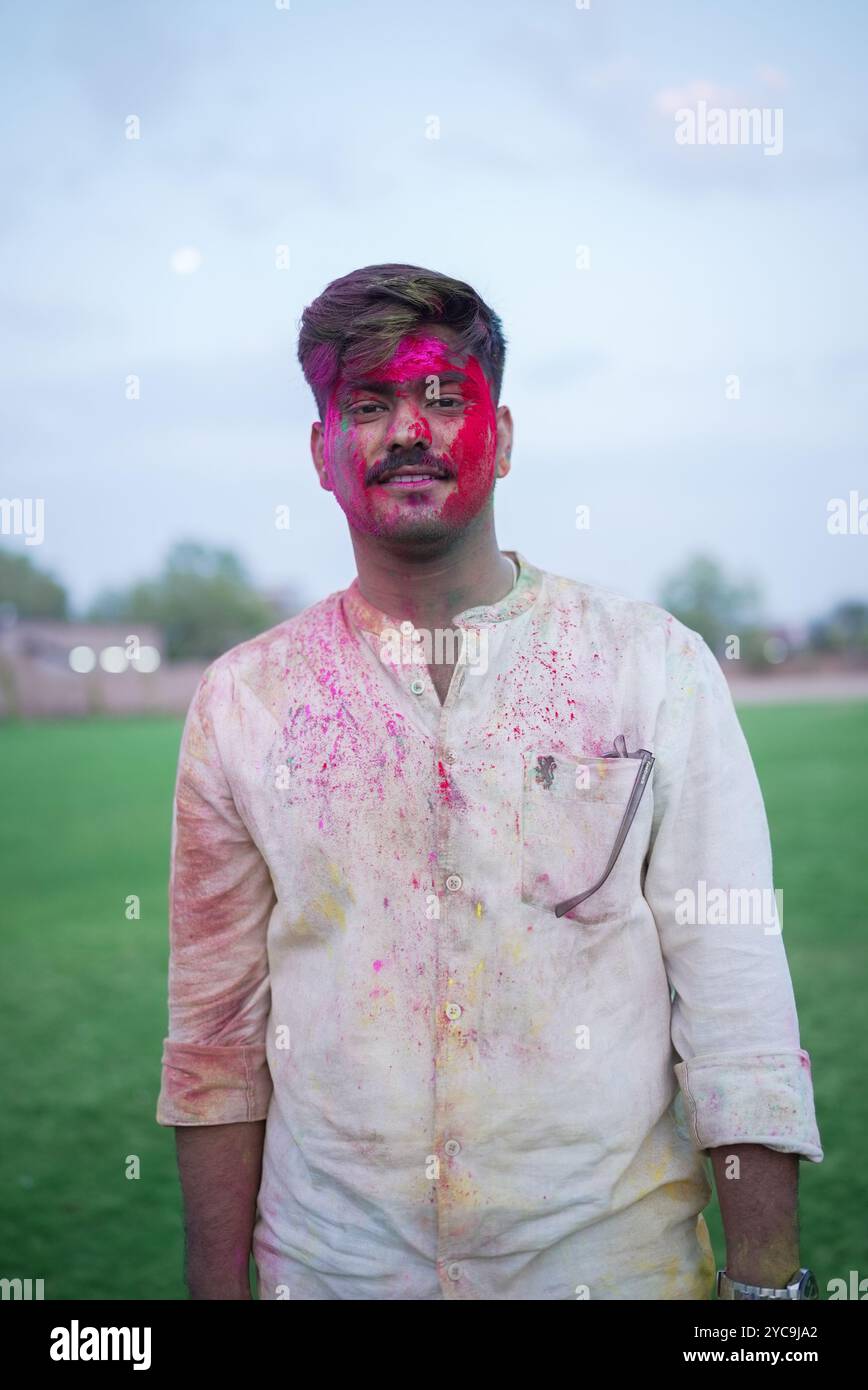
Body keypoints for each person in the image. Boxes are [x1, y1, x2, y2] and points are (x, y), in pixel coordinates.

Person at [156, 263, 822, 1301]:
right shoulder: (247, 701)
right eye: (368, 404)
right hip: (332, 1270)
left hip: (610, 1266)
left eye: (443, 398)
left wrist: (767, 1296)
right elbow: (215, 1038)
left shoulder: (649, 664)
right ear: (321, 450)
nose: (408, 431)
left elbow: (734, 999)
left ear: (502, 436)